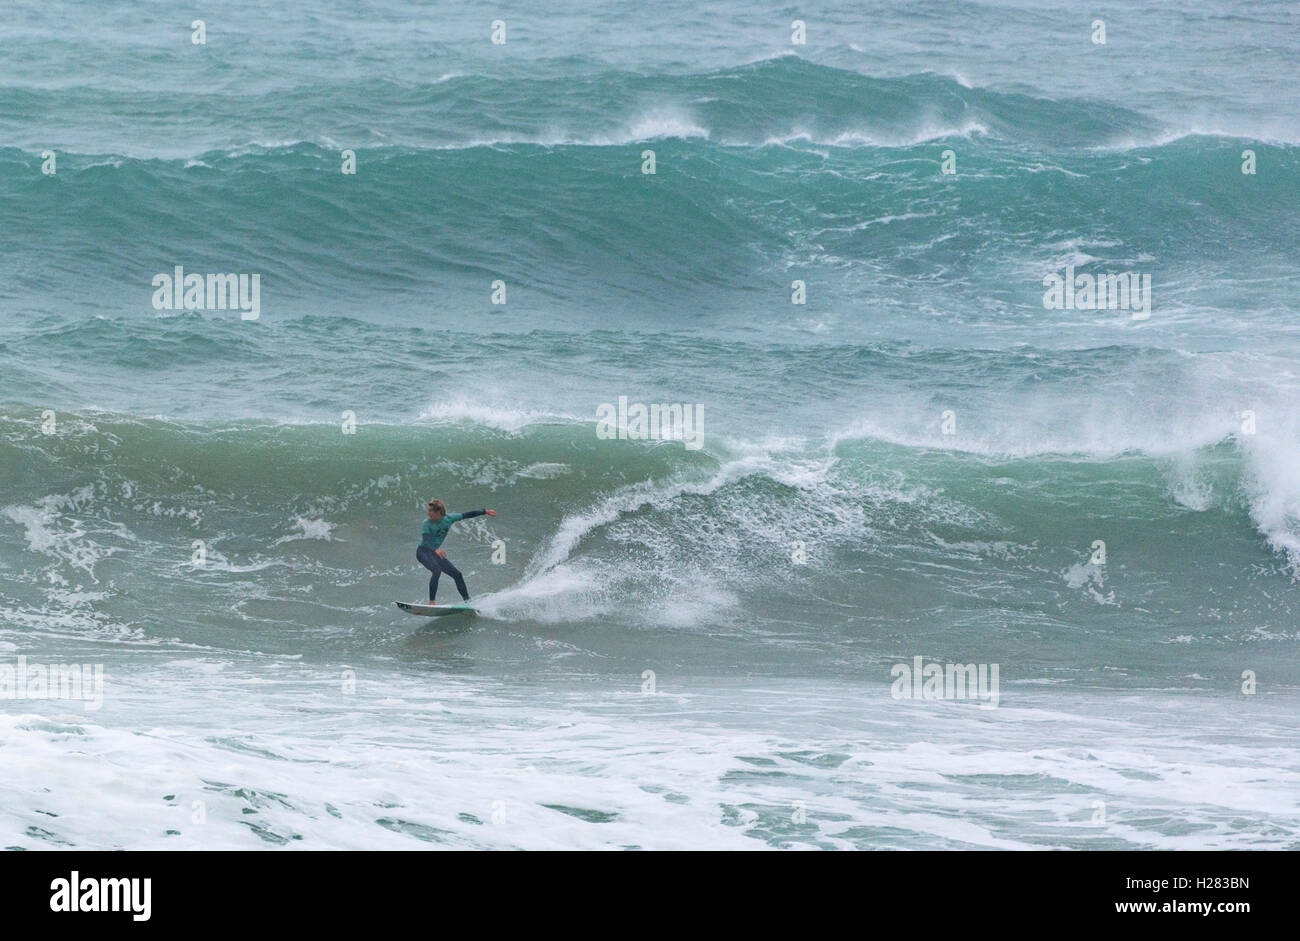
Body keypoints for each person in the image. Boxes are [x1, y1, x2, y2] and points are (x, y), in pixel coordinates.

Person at [416, 499, 496, 604]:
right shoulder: (427, 523)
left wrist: (485, 511)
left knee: (457, 575)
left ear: (438, 512)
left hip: (435, 553)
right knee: (436, 570)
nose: (428, 513)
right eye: (429, 510)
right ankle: (432, 601)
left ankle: (468, 601)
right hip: (423, 552)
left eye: (431, 511)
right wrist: (436, 550)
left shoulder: (449, 518)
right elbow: (426, 541)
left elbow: (467, 514)